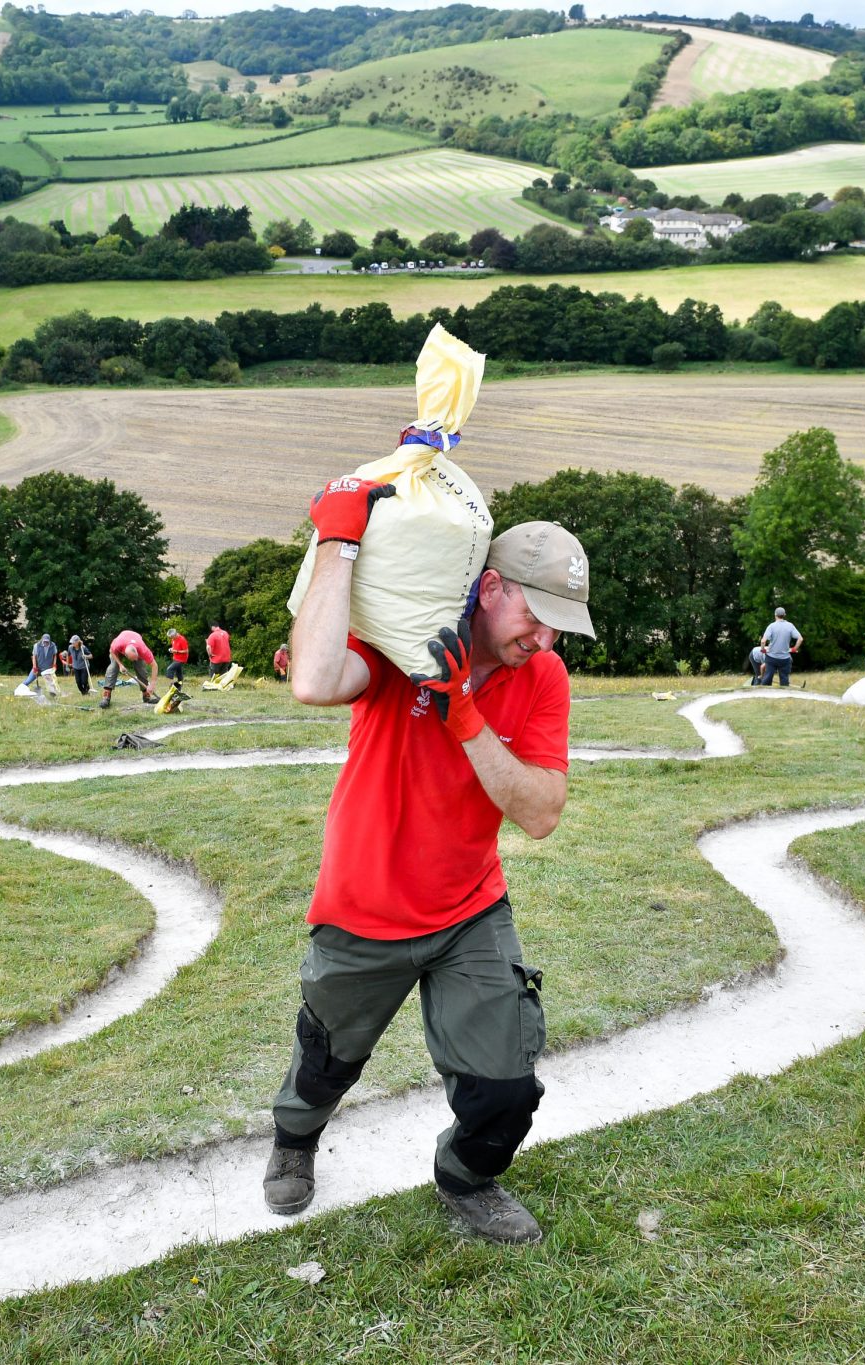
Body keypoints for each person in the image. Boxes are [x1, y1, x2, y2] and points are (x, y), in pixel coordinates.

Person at [264, 480, 593, 1248]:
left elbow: (541, 811)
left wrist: (465, 714)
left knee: (507, 1090)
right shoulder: (404, 638)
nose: (545, 641)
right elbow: (312, 680)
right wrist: (341, 539)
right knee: (326, 1060)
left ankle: (466, 1178)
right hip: (362, 905)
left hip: (470, 908)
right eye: (536, 617)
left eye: (560, 628)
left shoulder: (541, 676)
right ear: (489, 587)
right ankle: (295, 1138)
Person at [101, 629, 159, 710]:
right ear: (125, 655)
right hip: (117, 648)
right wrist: (120, 665)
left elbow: (154, 665)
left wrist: (152, 684)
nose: (135, 660)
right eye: (133, 659)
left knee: (141, 668)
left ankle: (146, 695)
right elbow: (111, 651)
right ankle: (106, 695)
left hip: (135, 641)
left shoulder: (143, 649)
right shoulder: (117, 645)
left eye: (136, 658)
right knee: (114, 667)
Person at [753, 607, 801, 687]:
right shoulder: (790, 626)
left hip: (771, 658)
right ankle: (784, 696)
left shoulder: (771, 626)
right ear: (784, 615)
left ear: (775, 615)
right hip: (785, 658)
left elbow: (763, 641)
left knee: (767, 679)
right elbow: (800, 639)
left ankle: (764, 695)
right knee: (784, 680)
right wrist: (794, 649)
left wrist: (763, 650)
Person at [20, 632, 60, 701]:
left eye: (47, 642)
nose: (45, 643)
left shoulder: (53, 646)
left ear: (49, 641)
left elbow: (54, 655)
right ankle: (19, 689)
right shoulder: (36, 646)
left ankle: (53, 696)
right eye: (44, 641)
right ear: (42, 640)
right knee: (28, 680)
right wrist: (35, 667)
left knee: (50, 683)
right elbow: (34, 657)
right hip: (38, 667)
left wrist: (54, 664)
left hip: (47, 669)